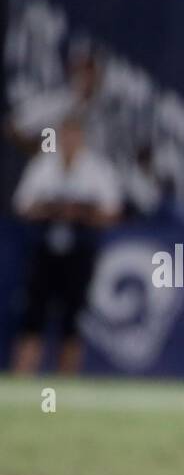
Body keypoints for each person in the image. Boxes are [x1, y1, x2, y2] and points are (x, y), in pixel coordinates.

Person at [11, 116, 122, 373]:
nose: (70, 141)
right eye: (65, 135)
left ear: (82, 138)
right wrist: (53, 208)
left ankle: (66, 382)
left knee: (74, 316)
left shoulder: (97, 168)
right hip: (44, 249)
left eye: (75, 135)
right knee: (33, 312)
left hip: (80, 250)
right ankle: (23, 376)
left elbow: (112, 212)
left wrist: (80, 212)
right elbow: (22, 206)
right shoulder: (44, 165)